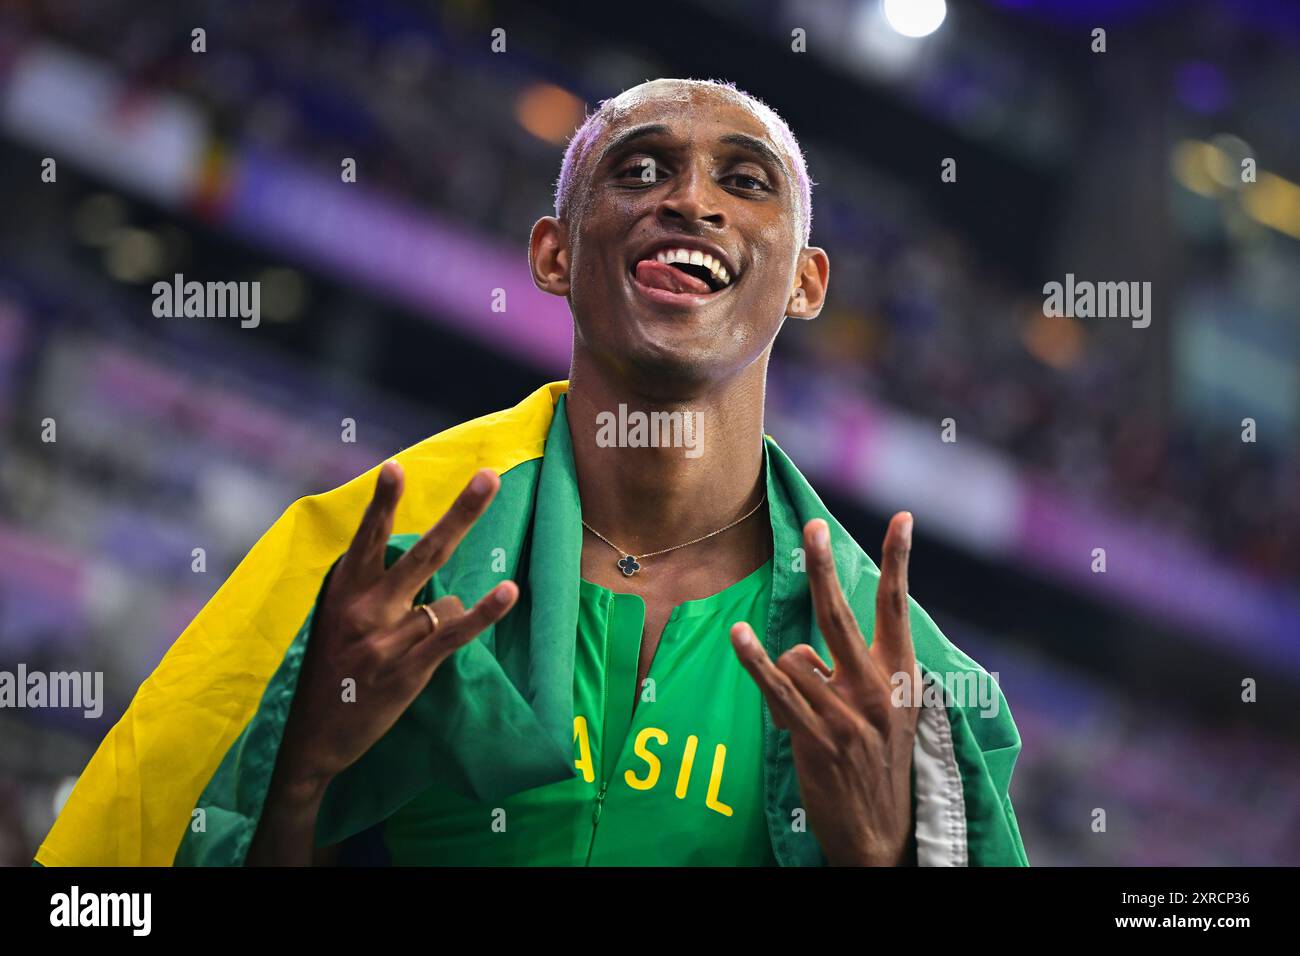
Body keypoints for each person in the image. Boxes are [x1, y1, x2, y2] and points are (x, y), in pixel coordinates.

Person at [36, 78, 1028, 867]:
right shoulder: (376, 561)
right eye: (639, 171)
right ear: (552, 254)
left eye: (745, 179)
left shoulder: (900, 678)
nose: (689, 199)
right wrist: (297, 774)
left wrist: (886, 854)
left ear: (807, 280)